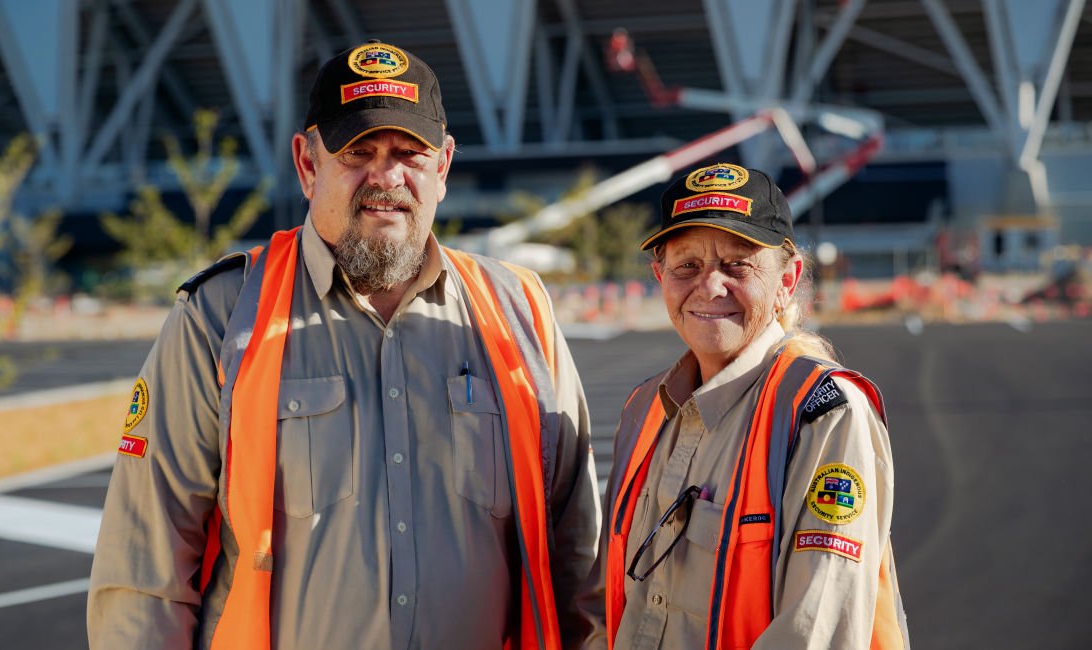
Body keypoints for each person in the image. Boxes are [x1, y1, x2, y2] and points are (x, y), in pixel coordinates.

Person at [88, 40, 599, 650]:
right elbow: (144, 572)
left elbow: (578, 556)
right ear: (308, 164)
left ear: (443, 166)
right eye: (359, 152)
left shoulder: (522, 311)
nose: (386, 177)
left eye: (410, 153)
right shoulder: (221, 319)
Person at [577, 163, 910, 649]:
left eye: (738, 265)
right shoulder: (644, 409)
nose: (709, 287)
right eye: (686, 266)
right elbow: (611, 604)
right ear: (659, 276)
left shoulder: (823, 416)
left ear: (787, 280)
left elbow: (814, 632)